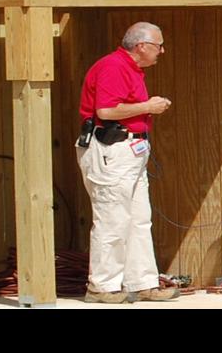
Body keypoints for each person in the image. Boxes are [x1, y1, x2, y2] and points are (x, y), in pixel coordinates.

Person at [76, 22, 180, 304]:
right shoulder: (114, 67)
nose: (162, 51)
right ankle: (102, 286)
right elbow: (106, 110)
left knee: (138, 219)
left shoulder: (130, 68)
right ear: (141, 46)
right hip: (113, 150)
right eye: (158, 46)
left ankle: (142, 282)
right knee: (112, 219)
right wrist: (148, 107)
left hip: (130, 152)